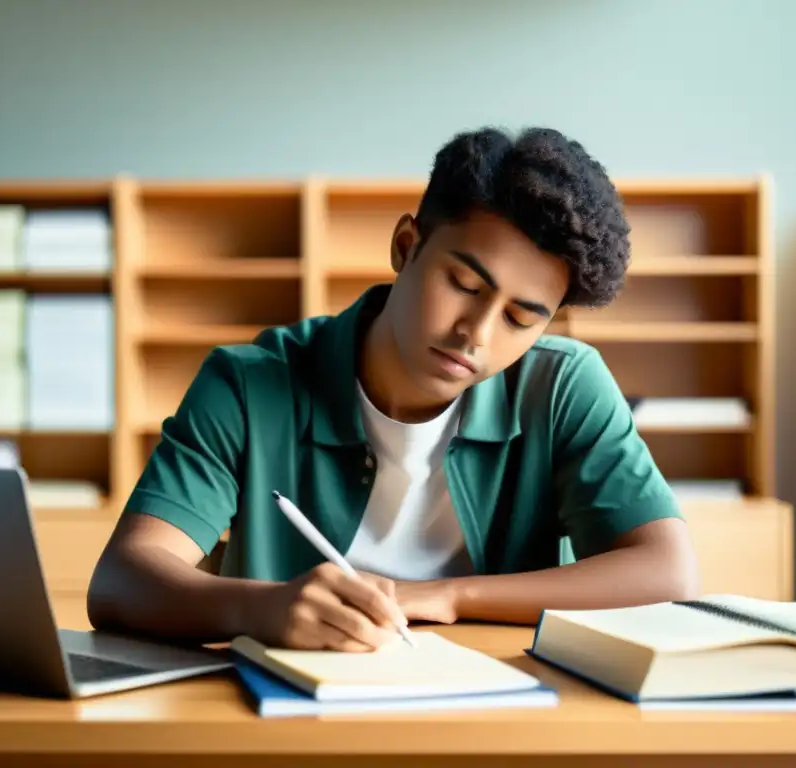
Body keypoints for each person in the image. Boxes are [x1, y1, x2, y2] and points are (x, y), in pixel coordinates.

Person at [87, 126, 700, 653]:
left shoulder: (563, 385)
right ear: (406, 246)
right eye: (463, 283)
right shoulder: (250, 383)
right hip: (291, 715)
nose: (475, 334)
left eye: (521, 318)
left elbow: (666, 570)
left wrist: (448, 595)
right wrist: (263, 609)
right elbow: (123, 580)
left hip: (500, 708)